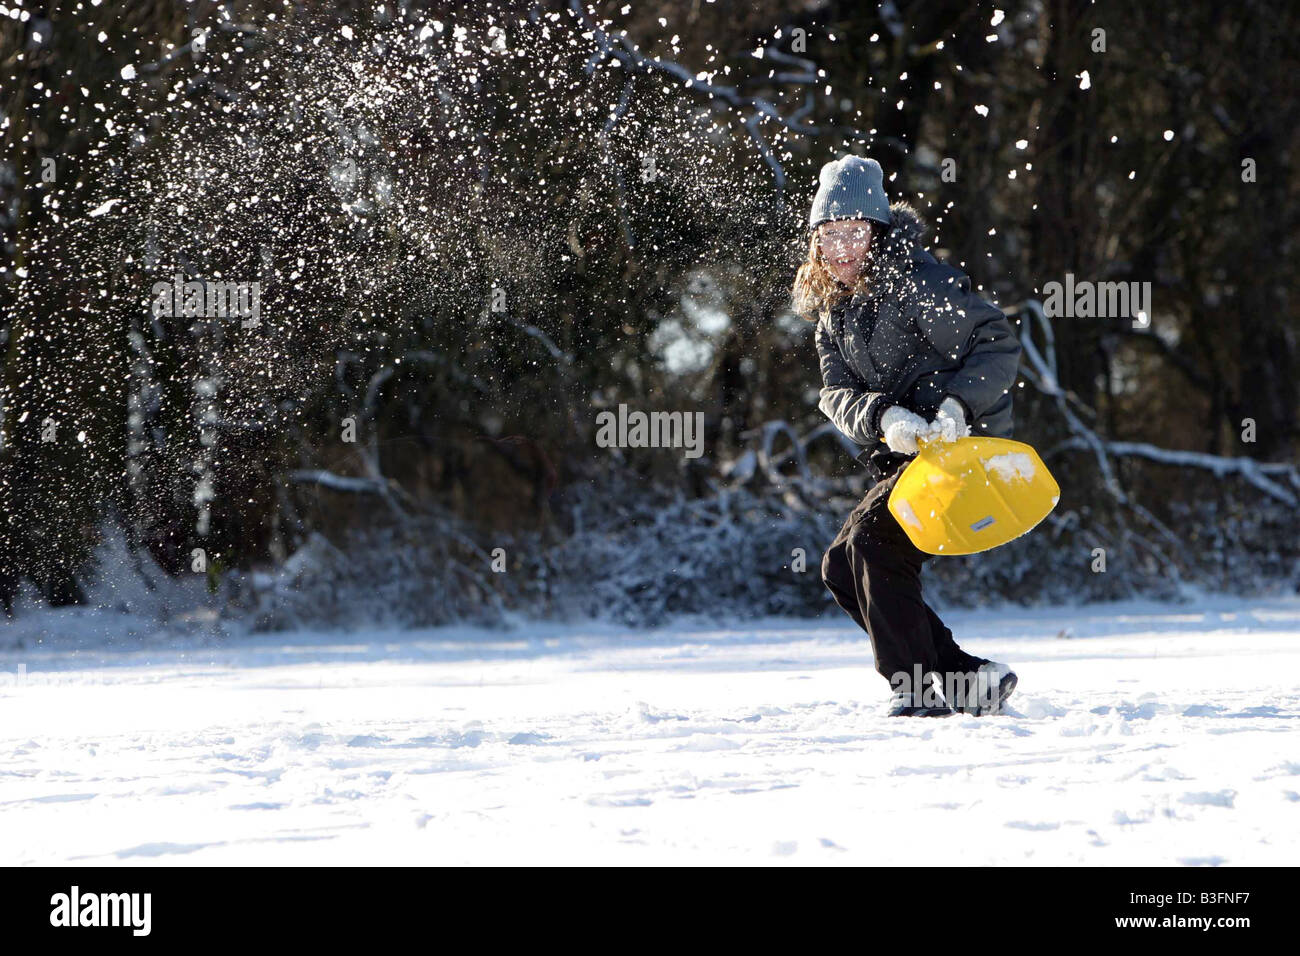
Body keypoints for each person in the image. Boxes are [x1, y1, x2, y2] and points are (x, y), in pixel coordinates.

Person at [792, 155, 1022, 717]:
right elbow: (835, 395)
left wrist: (954, 406)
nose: (841, 248)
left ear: (878, 232)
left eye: (853, 233)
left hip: (967, 451)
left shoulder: (920, 281)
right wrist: (884, 418)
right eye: (829, 236)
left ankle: (916, 689)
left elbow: (996, 342)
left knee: (873, 545)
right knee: (841, 566)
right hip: (911, 460)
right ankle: (966, 678)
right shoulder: (831, 312)